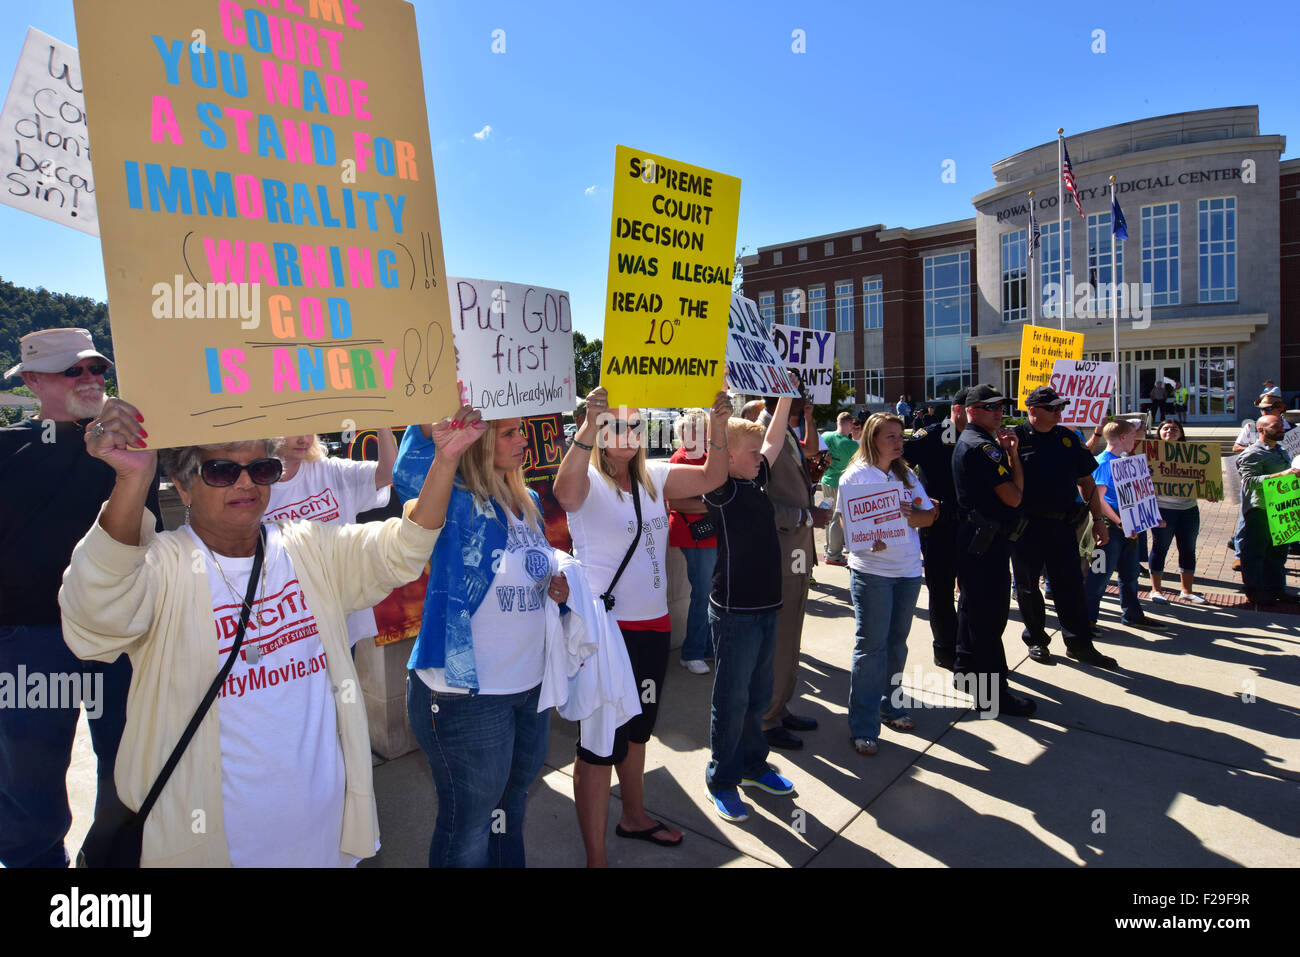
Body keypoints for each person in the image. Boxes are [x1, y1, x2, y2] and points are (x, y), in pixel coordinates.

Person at [58, 398, 475, 866]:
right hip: (216, 845)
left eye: (261, 468)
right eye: (220, 470)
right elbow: (92, 621)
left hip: (324, 830)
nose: (245, 482)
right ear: (182, 485)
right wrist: (131, 478)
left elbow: (403, 548)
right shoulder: (160, 567)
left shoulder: (307, 546)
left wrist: (446, 459)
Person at [0, 328, 162, 868]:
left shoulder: (132, 442)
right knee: (29, 785)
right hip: (30, 640)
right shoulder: (10, 447)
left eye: (96, 368)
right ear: (31, 380)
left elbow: (149, 535)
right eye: (74, 370)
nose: (92, 379)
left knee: (130, 771)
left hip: (117, 636)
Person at [554, 386, 731, 866]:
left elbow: (714, 476)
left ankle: (633, 817)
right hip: (607, 635)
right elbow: (564, 493)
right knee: (597, 744)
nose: (626, 433)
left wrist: (717, 425)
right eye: (614, 424)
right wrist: (588, 428)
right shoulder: (587, 481)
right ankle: (596, 857)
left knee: (637, 731)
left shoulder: (655, 475)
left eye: (634, 424)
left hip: (653, 630)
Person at [394, 415, 574, 867]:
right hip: (467, 697)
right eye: (509, 434)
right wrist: (435, 422)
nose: (522, 441)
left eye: (521, 432)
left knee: (509, 812)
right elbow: (409, 472)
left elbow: (530, 580)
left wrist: (557, 590)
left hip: (528, 689)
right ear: (480, 441)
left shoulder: (528, 500)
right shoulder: (455, 500)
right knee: (470, 826)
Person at [702, 402, 800, 822]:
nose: (760, 456)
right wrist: (717, 422)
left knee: (758, 696)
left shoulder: (756, 478)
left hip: (766, 608)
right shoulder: (720, 489)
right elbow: (717, 452)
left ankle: (753, 765)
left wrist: (785, 399)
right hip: (735, 613)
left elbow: (774, 441)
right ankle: (722, 780)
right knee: (732, 698)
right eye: (751, 451)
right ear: (728, 455)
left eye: (758, 451)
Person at [838, 413, 935, 755]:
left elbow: (929, 515)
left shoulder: (906, 474)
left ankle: (890, 706)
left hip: (908, 572)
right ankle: (864, 725)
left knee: (897, 645)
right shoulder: (855, 478)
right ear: (872, 439)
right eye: (890, 436)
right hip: (872, 573)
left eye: (900, 436)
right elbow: (848, 527)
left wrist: (911, 515)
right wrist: (867, 539)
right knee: (871, 647)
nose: (898, 441)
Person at [1011, 387, 1116, 668]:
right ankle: (1036, 639)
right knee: (1028, 587)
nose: (1060, 413)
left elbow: (1087, 483)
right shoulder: (1014, 440)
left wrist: (1098, 520)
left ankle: (1079, 644)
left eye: (1061, 408)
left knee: (1070, 587)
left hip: (1062, 525)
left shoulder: (1069, 439)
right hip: (1026, 527)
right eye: (1053, 408)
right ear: (1032, 411)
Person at [265, 430, 397, 646]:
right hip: (284, 628)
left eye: (310, 428)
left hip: (340, 624)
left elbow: (389, 473)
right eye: (291, 429)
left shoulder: (330, 471)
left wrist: (382, 423)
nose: (303, 438)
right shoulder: (253, 487)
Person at [950, 384, 1036, 717]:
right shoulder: (984, 448)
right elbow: (1014, 496)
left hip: (976, 537)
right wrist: (1013, 456)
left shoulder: (975, 442)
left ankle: (965, 669)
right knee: (990, 619)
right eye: (991, 407)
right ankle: (993, 695)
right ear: (971, 411)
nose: (999, 413)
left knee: (973, 609)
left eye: (1001, 408)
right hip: (986, 541)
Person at [758, 394, 831, 749]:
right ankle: (767, 717)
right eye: (797, 386)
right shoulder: (761, 435)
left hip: (798, 552)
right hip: (781, 554)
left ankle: (780, 705)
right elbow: (757, 503)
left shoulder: (786, 431)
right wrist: (804, 517)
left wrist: (809, 480)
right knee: (780, 639)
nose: (806, 393)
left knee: (792, 637)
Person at [1083, 420, 1169, 633]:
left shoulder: (1128, 463)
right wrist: (1122, 522)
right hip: (1110, 530)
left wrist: (1152, 518)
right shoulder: (1103, 463)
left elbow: (1138, 497)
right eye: (1133, 435)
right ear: (1122, 437)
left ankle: (1132, 614)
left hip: (1128, 529)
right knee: (1098, 577)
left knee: (1130, 575)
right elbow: (1099, 501)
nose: (1136, 439)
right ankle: (1086, 620)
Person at [903, 388, 967, 669]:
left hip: (974, 526)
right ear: (958, 408)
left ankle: (966, 646)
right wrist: (915, 495)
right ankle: (945, 650)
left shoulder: (983, 437)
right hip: (940, 525)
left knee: (972, 592)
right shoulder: (932, 434)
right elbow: (898, 461)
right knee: (941, 592)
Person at [667, 409, 718, 674]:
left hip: (709, 535)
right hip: (693, 535)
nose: (694, 434)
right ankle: (692, 652)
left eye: (699, 429)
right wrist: (713, 506)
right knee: (702, 593)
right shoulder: (679, 459)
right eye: (690, 429)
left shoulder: (709, 457)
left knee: (709, 593)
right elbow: (675, 501)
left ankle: (706, 647)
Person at [1236, 415, 1299, 605]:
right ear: (1262, 430)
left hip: (1281, 508)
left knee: (1278, 552)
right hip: (1260, 510)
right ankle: (1254, 591)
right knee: (1254, 552)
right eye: (1276, 426)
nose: (1282, 429)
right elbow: (1249, 482)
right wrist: (1282, 474)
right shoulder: (1251, 453)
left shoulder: (1281, 450)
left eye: (1282, 425)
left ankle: (1276, 589)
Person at [1147, 419, 1210, 605]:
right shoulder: (1149, 454)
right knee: (1160, 548)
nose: (1170, 431)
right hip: (1162, 509)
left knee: (1188, 549)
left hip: (1188, 510)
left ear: (1181, 433)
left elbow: (1204, 478)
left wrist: (1209, 492)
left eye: (1175, 428)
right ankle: (1156, 590)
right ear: (1158, 432)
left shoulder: (1192, 454)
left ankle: (1187, 591)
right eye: (1165, 428)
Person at [819, 411, 861, 566]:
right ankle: (834, 554)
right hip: (840, 483)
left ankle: (829, 548)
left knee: (827, 515)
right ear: (849, 424)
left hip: (826, 480)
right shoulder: (851, 445)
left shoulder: (825, 436)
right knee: (837, 518)